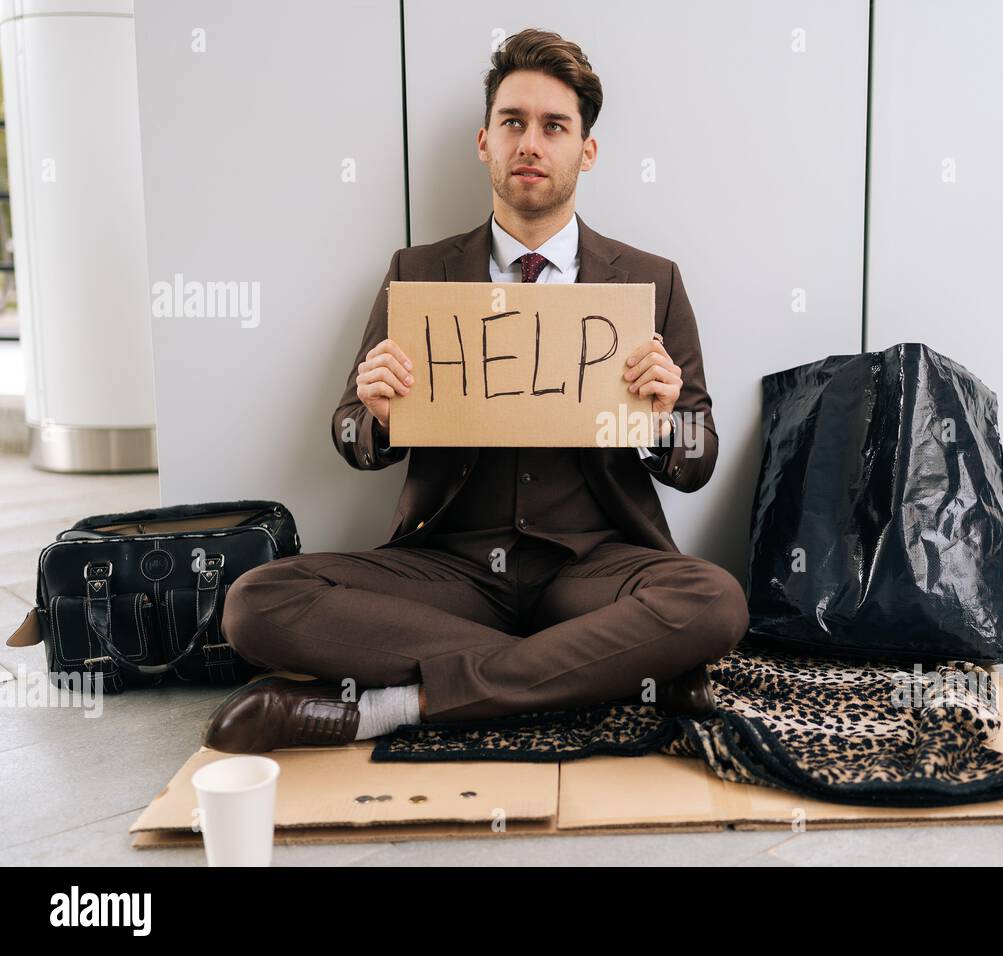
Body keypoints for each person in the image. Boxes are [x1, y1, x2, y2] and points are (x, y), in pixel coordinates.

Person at [202, 28, 748, 754]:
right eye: (512, 122)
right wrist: (375, 413)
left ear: (586, 151)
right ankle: (606, 669)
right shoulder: (421, 271)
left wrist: (661, 420)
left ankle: (388, 709)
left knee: (712, 601)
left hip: (593, 567)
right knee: (256, 602)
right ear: (484, 142)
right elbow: (347, 438)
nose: (531, 142)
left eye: (554, 126)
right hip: (451, 570)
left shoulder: (650, 280)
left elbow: (698, 458)